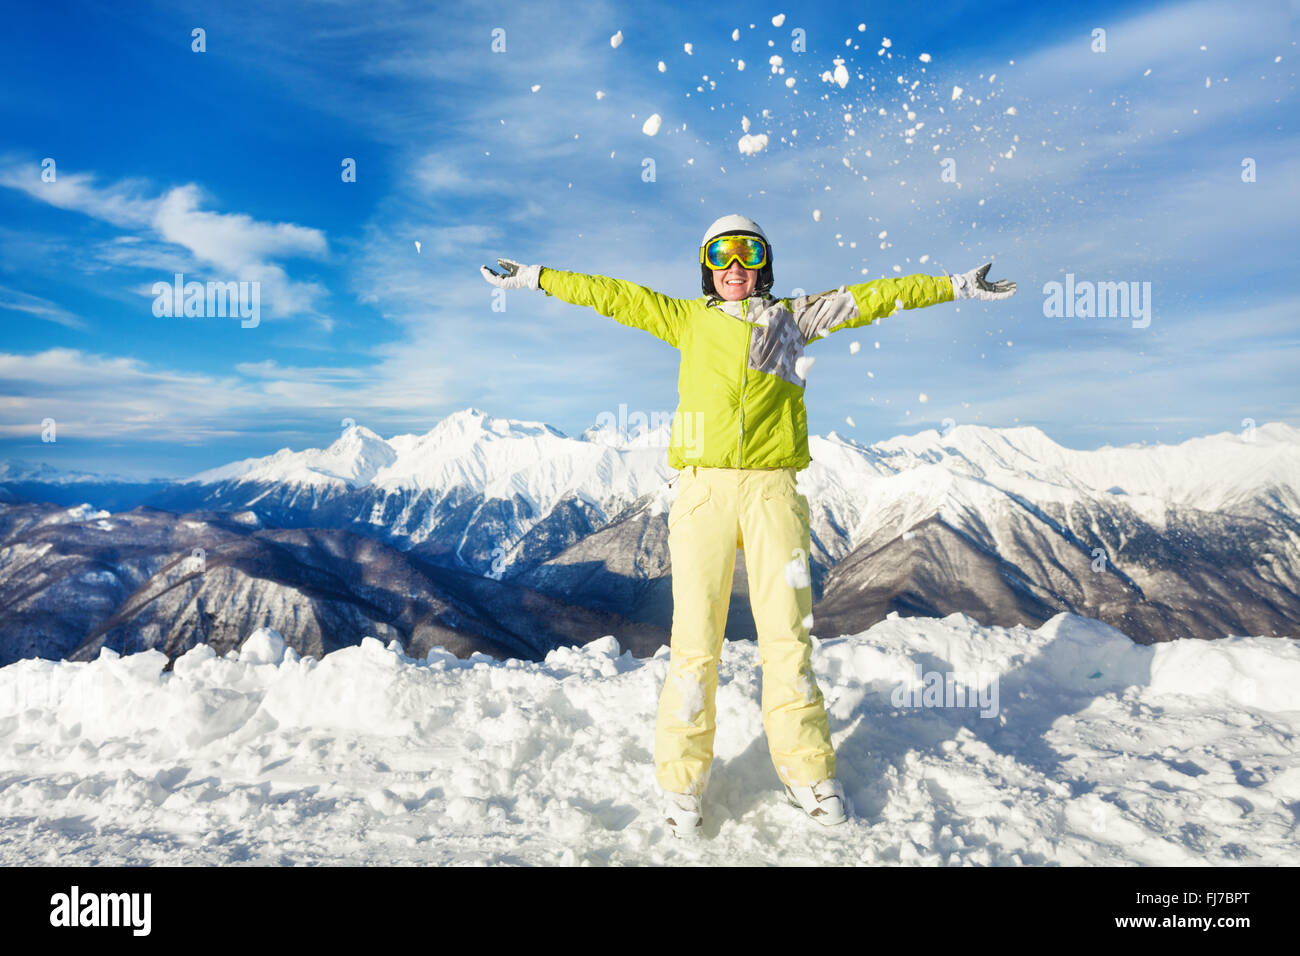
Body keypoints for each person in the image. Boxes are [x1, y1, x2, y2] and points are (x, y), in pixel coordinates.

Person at [481, 215, 1016, 838]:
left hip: (773, 492)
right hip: (703, 491)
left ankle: (808, 770)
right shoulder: (685, 319)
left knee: (787, 635)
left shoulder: (793, 320)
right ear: (708, 267)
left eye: (748, 252)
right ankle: (682, 785)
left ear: (763, 264)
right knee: (694, 641)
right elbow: (614, 296)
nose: (734, 265)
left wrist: (953, 285)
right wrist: (539, 277)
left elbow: (876, 298)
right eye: (721, 254)